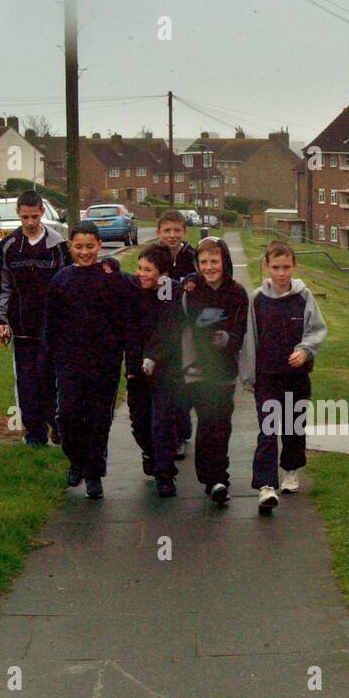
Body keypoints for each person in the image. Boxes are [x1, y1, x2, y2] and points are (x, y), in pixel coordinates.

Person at [42, 220, 137, 500]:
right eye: (78, 246)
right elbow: (51, 324)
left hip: (104, 363)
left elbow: (135, 301)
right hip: (69, 362)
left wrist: (129, 359)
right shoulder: (61, 280)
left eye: (90, 246)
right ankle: (76, 460)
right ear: (70, 246)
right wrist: (48, 359)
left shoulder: (112, 277)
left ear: (100, 245)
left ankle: (94, 473)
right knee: (68, 415)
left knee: (98, 420)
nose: (84, 252)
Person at [240, 239, 327, 515]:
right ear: (266, 267)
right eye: (275, 267)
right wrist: (249, 377)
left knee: (293, 426)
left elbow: (316, 329)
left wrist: (305, 351)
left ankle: (290, 470)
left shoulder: (304, 297)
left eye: (286, 267)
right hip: (267, 377)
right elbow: (249, 339)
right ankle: (266, 486)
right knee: (268, 429)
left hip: (296, 377)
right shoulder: (257, 299)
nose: (281, 273)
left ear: (294, 266)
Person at [0, 190, 71, 446]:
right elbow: (1, 287)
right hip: (23, 330)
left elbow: (68, 286)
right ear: (18, 214)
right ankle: (34, 434)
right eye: (25, 217)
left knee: (53, 381)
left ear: (42, 213)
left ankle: (56, 425)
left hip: (53, 330)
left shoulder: (58, 245)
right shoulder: (9, 246)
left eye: (34, 216)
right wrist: (1, 322)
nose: (30, 222)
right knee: (28, 386)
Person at [181, 236, 248, 505]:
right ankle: (213, 477)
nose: (209, 267)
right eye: (204, 262)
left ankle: (218, 477)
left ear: (225, 262)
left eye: (214, 261)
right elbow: (182, 324)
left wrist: (229, 339)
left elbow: (241, 329)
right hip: (197, 369)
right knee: (208, 422)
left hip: (224, 369)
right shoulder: (192, 289)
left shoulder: (237, 293)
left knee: (222, 423)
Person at [126, 243, 185, 498]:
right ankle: (149, 452)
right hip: (137, 369)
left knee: (162, 421)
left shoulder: (173, 296)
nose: (141, 274)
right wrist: (132, 366)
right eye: (139, 268)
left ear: (162, 274)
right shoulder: (134, 293)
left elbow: (169, 332)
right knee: (139, 421)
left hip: (166, 370)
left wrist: (153, 358)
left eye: (147, 270)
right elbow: (130, 333)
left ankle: (165, 474)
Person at [154, 210, 196, 454]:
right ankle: (169, 433)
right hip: (161, 329)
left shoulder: (191, 256)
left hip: (186, 329)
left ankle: (181, 433)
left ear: (184, 232)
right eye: (167, 231)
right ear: (159, 233)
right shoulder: (153, 256)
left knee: (182, 384)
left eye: (176, 230)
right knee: (164, 386)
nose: (172, 235)